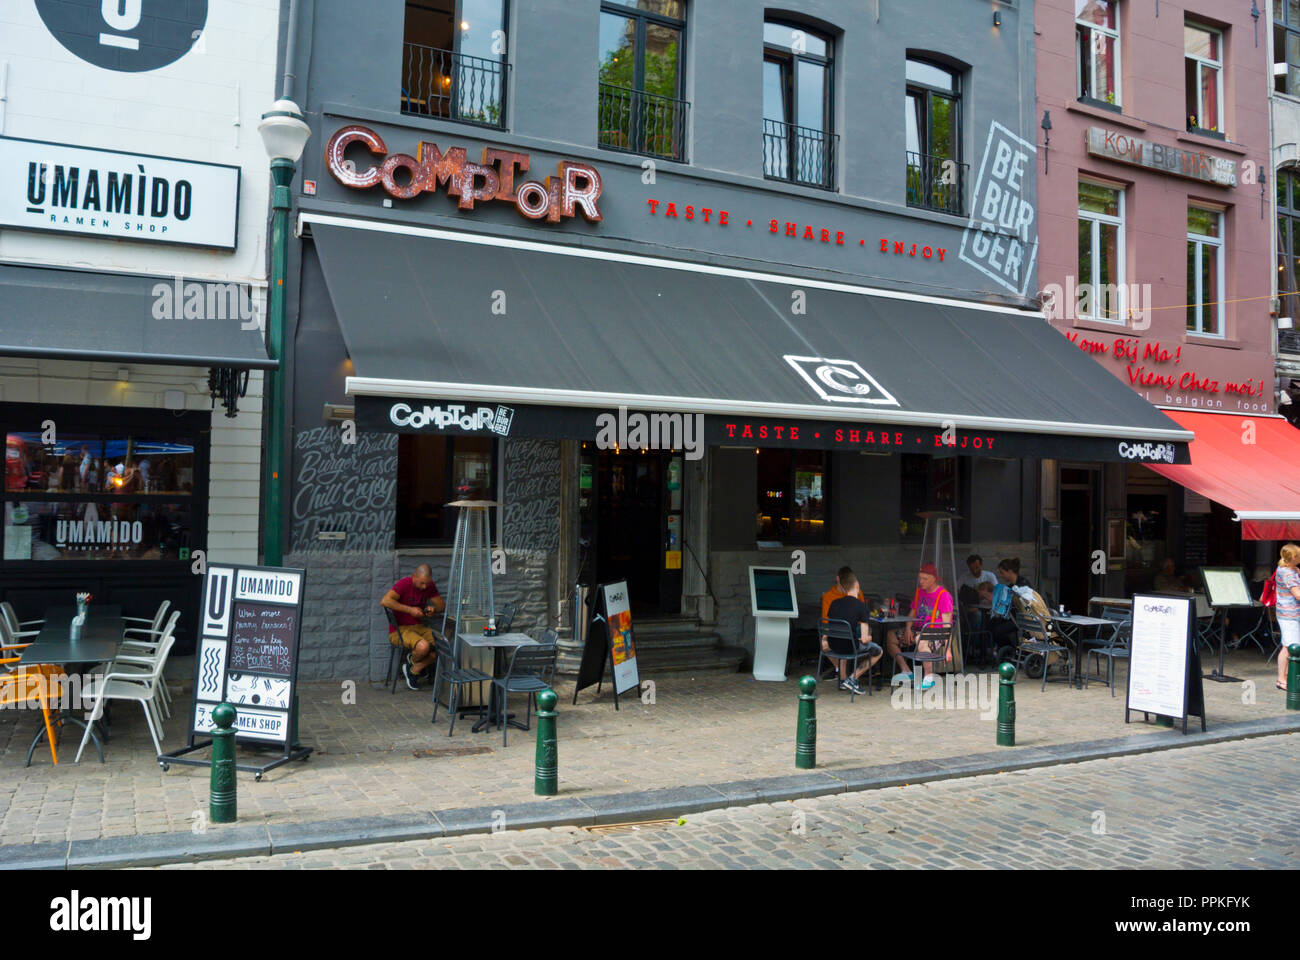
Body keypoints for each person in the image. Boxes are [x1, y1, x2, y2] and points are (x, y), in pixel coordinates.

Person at [885, 562, 953, 691]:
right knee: (891, 636)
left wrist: (948, 649)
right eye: (920, 578)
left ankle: (929, 678)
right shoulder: (919, 593)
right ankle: (906, 671)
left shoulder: (943, 596)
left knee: (921, 639)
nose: (921, 581)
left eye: (924, 578)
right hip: (917, 630)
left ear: (934, 579)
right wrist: (908, 629)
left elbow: (946, 625)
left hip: (935, 633)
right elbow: (912, 613)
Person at [380, 564, 447, 690]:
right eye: (421, 583)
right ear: (414, 577)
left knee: (443, 645)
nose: (424, 587)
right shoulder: (405, 583)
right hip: (399, 630)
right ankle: (414, 663)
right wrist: (409, 610)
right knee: (424, 647)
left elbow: (441, 606)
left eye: (427, 583)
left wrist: (434, 609)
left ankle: (414, 668)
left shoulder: (429, 585)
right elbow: (385, 601)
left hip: (419, 627)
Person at [821, 571, 883, 695]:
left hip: (833, 645)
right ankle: (852, 678)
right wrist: (870, 637)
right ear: (857, 585)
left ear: (843, 588)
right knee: (878, 651)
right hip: (850, 647)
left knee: (845, 640)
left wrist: (824, 640)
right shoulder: (861, 606)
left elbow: (830, 627)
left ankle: (843, 680)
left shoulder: (834, 603)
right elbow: (865, 640)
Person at [1275, 544, 1300, 692]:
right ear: (1294, 557)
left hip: (1289, 613)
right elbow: (1297, 594)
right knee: (1289, 646)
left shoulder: (1287, 569)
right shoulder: (1288, 573)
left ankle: (1287, 676)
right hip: (1289, 614)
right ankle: (1281, 679)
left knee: (1291, 645)